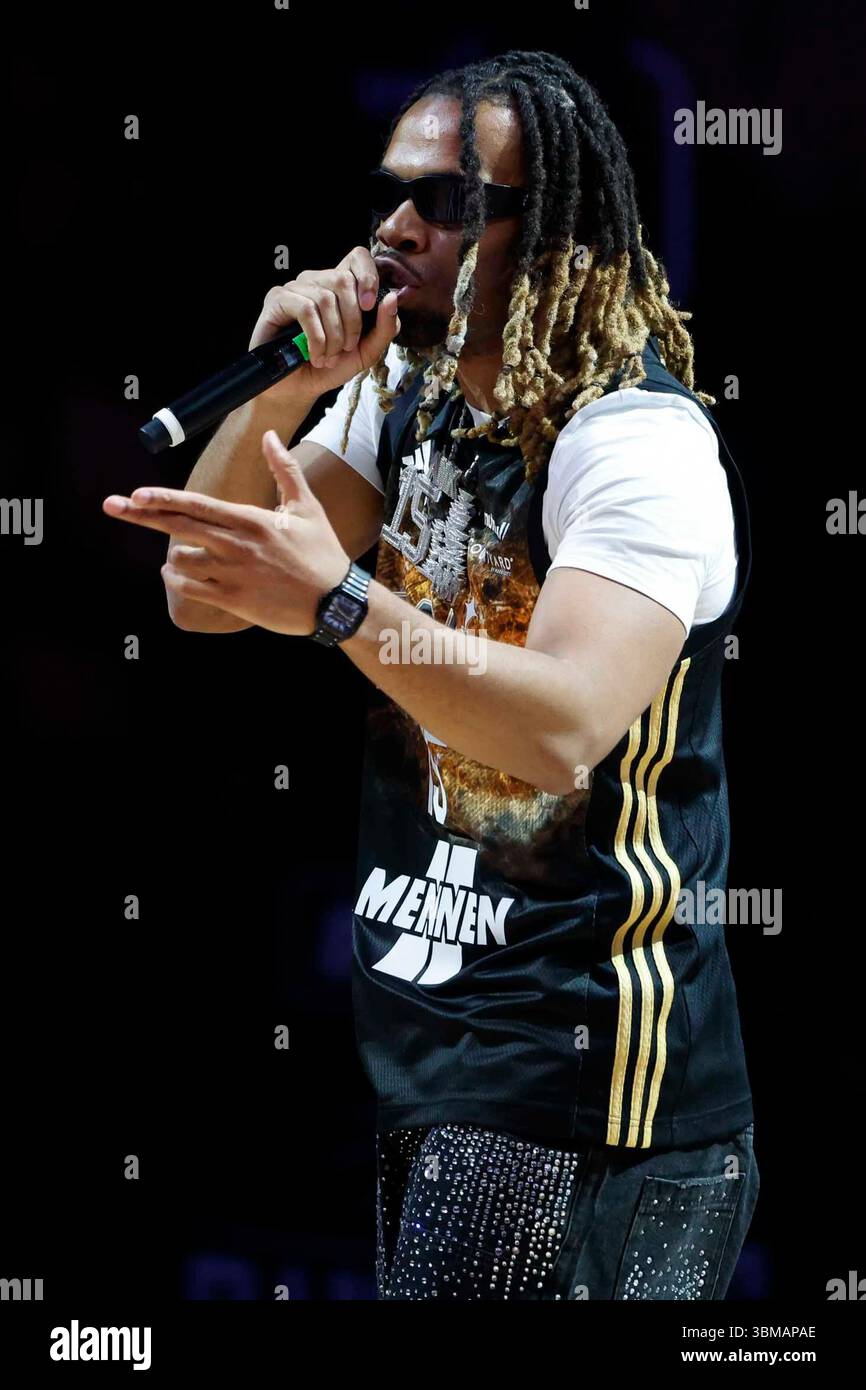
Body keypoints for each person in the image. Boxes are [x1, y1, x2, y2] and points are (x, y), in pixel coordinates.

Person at [104, 49, 759, 1301]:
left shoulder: (632, 442)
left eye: (450, 203)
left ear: (552, 236)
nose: (396, 226)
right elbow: (199, 593)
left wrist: (342, 602)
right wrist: (290, 388)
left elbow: (562, 726)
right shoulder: (402, 402)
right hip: (434, 1044)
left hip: (588, 1080)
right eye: (391, 194)